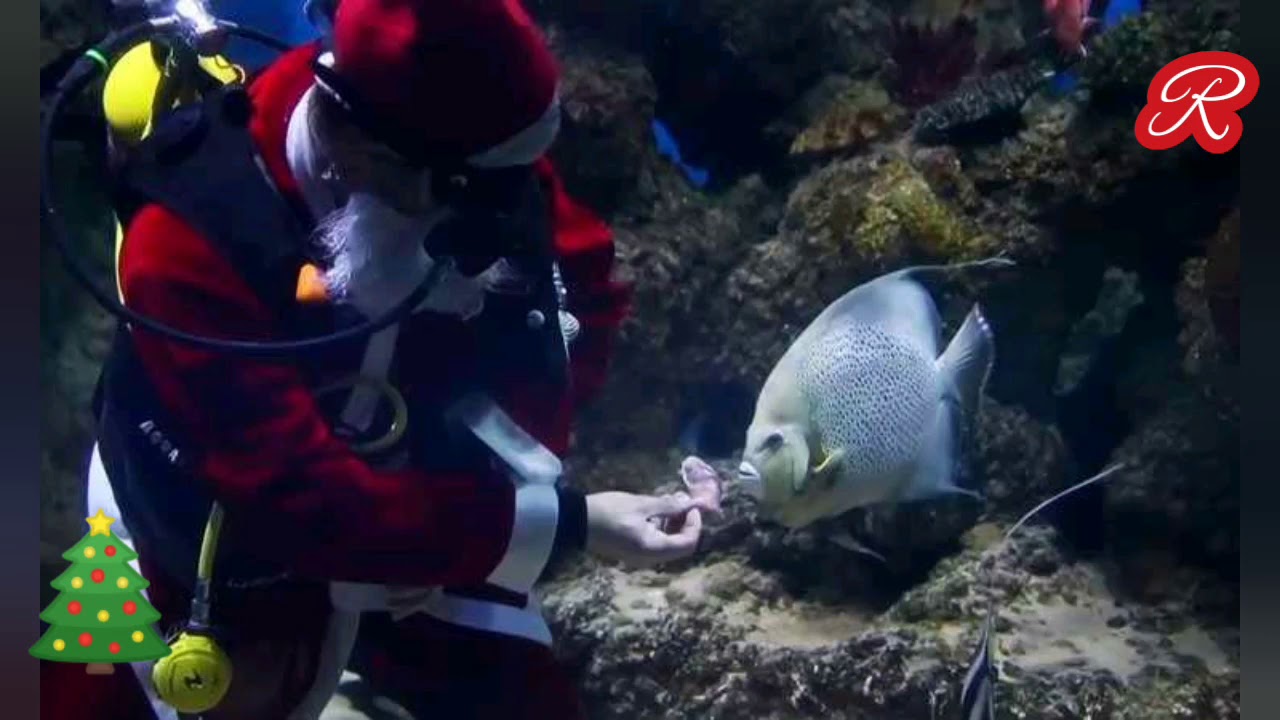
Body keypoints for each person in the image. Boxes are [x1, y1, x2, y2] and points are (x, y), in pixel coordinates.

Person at [41, 1, 712, 718]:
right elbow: (308, 507)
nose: (507, 215)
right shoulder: (183, 248)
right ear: (364, 152)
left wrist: (488, 475)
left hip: (420, 529)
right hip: (211, 555)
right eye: (476, 194)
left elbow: (582, 292)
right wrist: (571, 523)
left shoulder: (470, 151)